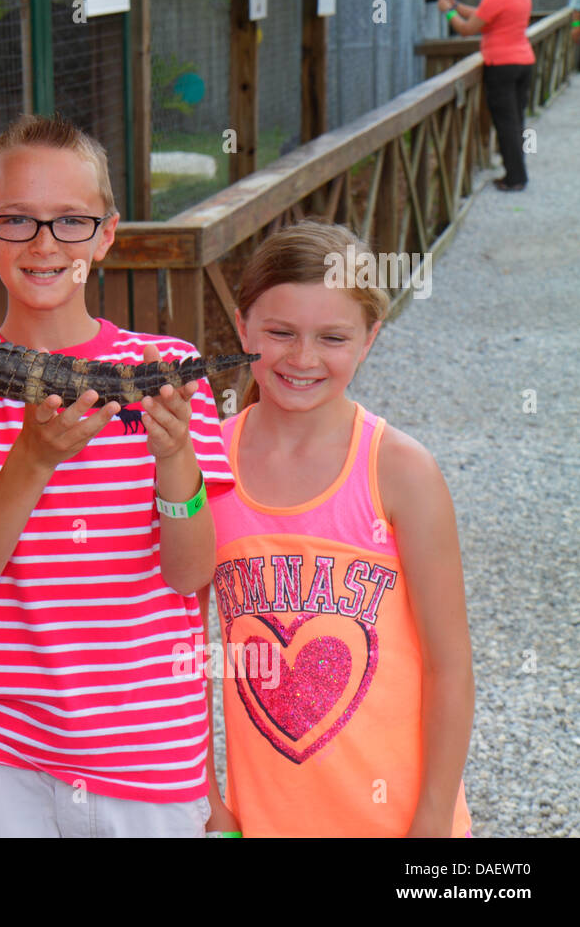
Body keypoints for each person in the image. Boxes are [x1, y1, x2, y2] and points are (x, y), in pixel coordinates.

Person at [0, 114, 233, 837]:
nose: (45, 244)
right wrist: (33, 459)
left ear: (106, 234)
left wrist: (174, 459)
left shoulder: (167, 367)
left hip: (147, 758)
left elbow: (192, 574)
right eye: (17, 220)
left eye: (71, 221)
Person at [207, 220, 474, 837]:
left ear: (369, 338)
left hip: (401, 822)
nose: (303, 358)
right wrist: (207, 800)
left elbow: (450, 667)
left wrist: (433, 817)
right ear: (243, 327)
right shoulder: (209, 466)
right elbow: (182, 649)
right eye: (280, 333)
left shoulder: (401, 471)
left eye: (332, 337)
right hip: (262, 822)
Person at [439, 0, 534, 191]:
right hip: (524, 61)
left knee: (505, 123)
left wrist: (447, 12)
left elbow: (467, 29)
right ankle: (518, 172)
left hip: (501, 66)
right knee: (516, 120)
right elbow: (483, 15)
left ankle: (515, 178)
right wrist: (455, 5)